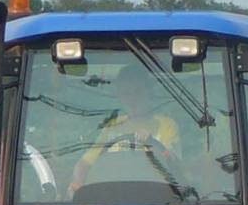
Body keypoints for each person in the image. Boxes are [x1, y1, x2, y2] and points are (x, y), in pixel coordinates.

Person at [68, 62, 185, 193]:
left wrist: (152, 143)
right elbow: (84, 163)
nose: (132, 99)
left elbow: (175, 164)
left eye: (137, 92)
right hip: (111, 196)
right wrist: (77, 184)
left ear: (149, 92)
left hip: (157, 196)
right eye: (126, 93)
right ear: (120, 96)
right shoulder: (112, 127)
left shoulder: (166, 126)